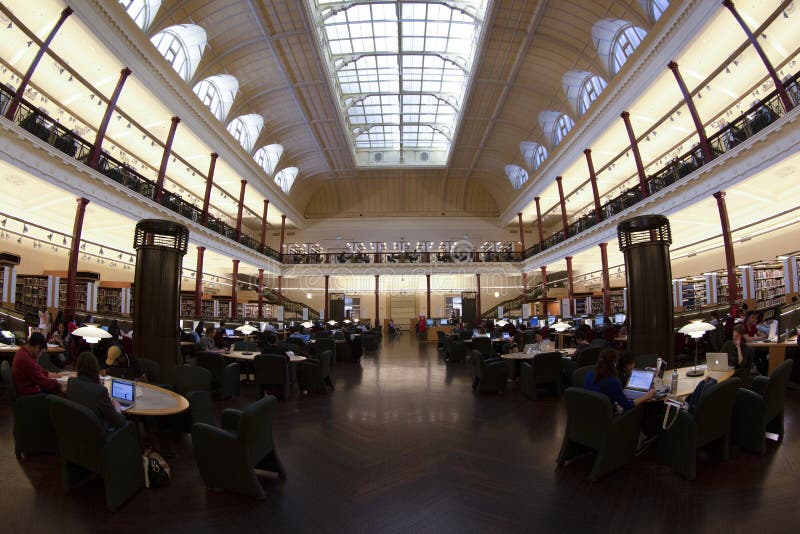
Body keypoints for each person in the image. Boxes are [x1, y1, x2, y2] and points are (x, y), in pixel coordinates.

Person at [66, 352, 126, 431]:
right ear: (95, 368)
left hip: (77, 428)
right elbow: (119, 421)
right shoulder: (100, 390)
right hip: (97, 434)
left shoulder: (71, 382)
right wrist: (117, 408)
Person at [584, 348, 654, 410]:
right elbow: (627, 405)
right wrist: (646, 397)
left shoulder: (589, 374)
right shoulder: (613, 381)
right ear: (615, 363)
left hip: (590, 412)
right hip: (607, 417)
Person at [11, 332, 60, 397]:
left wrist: (49, 374)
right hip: (29, 395)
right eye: (41, 351)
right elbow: (43, 382)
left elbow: (36, 368)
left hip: (25, 389)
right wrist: (60, 383)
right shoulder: (26, 360)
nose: (40, 354)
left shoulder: (22, 351)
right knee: (57, 390)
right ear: (37, 347)